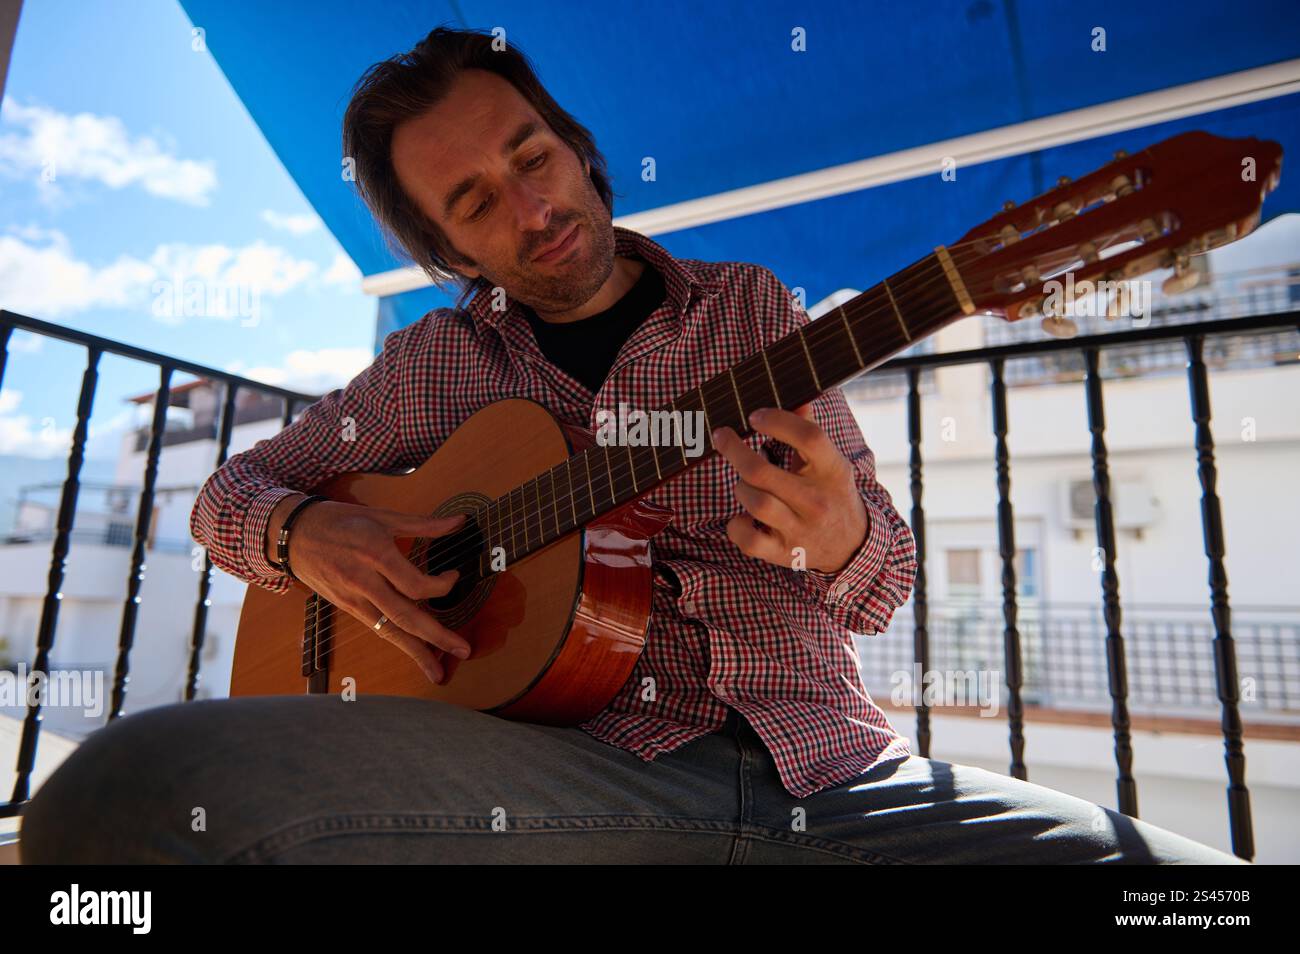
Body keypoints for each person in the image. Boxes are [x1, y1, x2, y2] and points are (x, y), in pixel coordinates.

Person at [20, 26, 1244, 865]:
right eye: (474, 204)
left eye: (530, 157)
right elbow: (227, 493)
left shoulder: (750, 312)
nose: (532, 207)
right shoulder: (434, 368)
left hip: (827, 771)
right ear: (451, 256)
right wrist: (305, 531)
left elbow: (885, 589)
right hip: (557, 786)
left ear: (578, 147)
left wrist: (841, 535)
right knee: (127, 797)